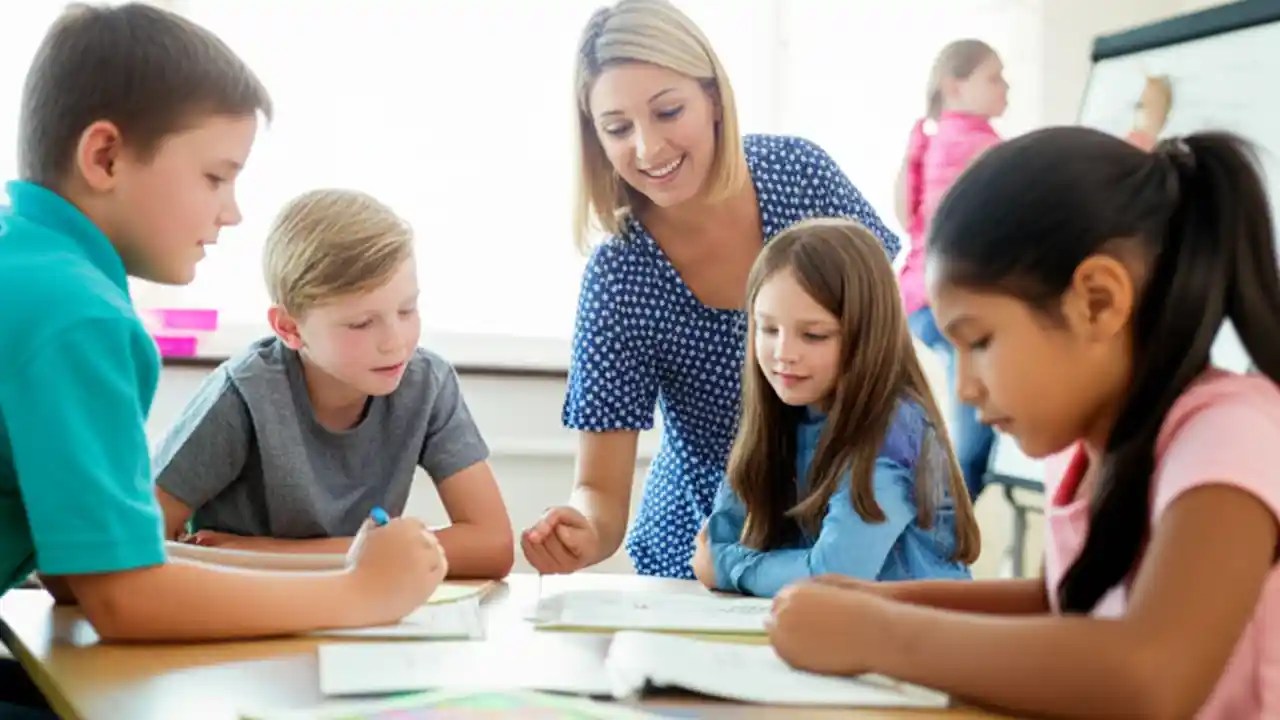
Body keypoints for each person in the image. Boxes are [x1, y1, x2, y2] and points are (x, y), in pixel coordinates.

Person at [766, 127, 1280, 719]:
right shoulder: (1100, 448)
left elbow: (1151, 675)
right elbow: (1057, 603)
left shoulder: (1229, 434)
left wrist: (876, 633)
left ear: (1097, 302)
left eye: (978, 341)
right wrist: (876, 600)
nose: (963, 387)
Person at [0, 2, 444, 677]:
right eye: (216, 176)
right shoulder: (77, 315)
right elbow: (123, 598)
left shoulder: (27, 266)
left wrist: (335, 575)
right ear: (105, 156)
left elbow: (84, 568)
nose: (231, 212)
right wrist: (358, 593)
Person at [520, 0, 898, 579]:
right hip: (706, 554)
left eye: (669, 111)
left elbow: (886, 344)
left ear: (714, 98)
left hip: (848, 530)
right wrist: (580, 531)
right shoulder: (620, 276)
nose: (648, 148)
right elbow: (598, 489)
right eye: (617, 127)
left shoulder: (799, 175)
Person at [152, 189, 514, 579]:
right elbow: (138, 536)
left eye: (407, 309)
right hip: (248, 607)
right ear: (289, 328)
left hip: (355, 611)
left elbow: (492, 545)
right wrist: (377, 554)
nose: (396, 341)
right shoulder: (242, 394)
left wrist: (275, 553)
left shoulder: (428, 384)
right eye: (362, 323)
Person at [689, 219, 978, 598]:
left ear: (866, 335)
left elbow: (835, 574)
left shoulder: (894, 429)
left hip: (925, 642)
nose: (784, 354)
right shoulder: (786, 410)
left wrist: (731, 568)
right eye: (768, 329)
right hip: (844, 634)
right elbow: (716, 542)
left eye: (814, 335)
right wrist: (727, 562)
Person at [895, 39, 1008, 499]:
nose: (1006, 88)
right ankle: (946, 517)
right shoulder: (983, 146)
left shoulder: (931, 141)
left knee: (974, 404)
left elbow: (907, 217)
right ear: (954, 87)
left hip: (918, 300)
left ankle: (942, 504)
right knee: (980, 422)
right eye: (995, 77)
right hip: (952, 299)